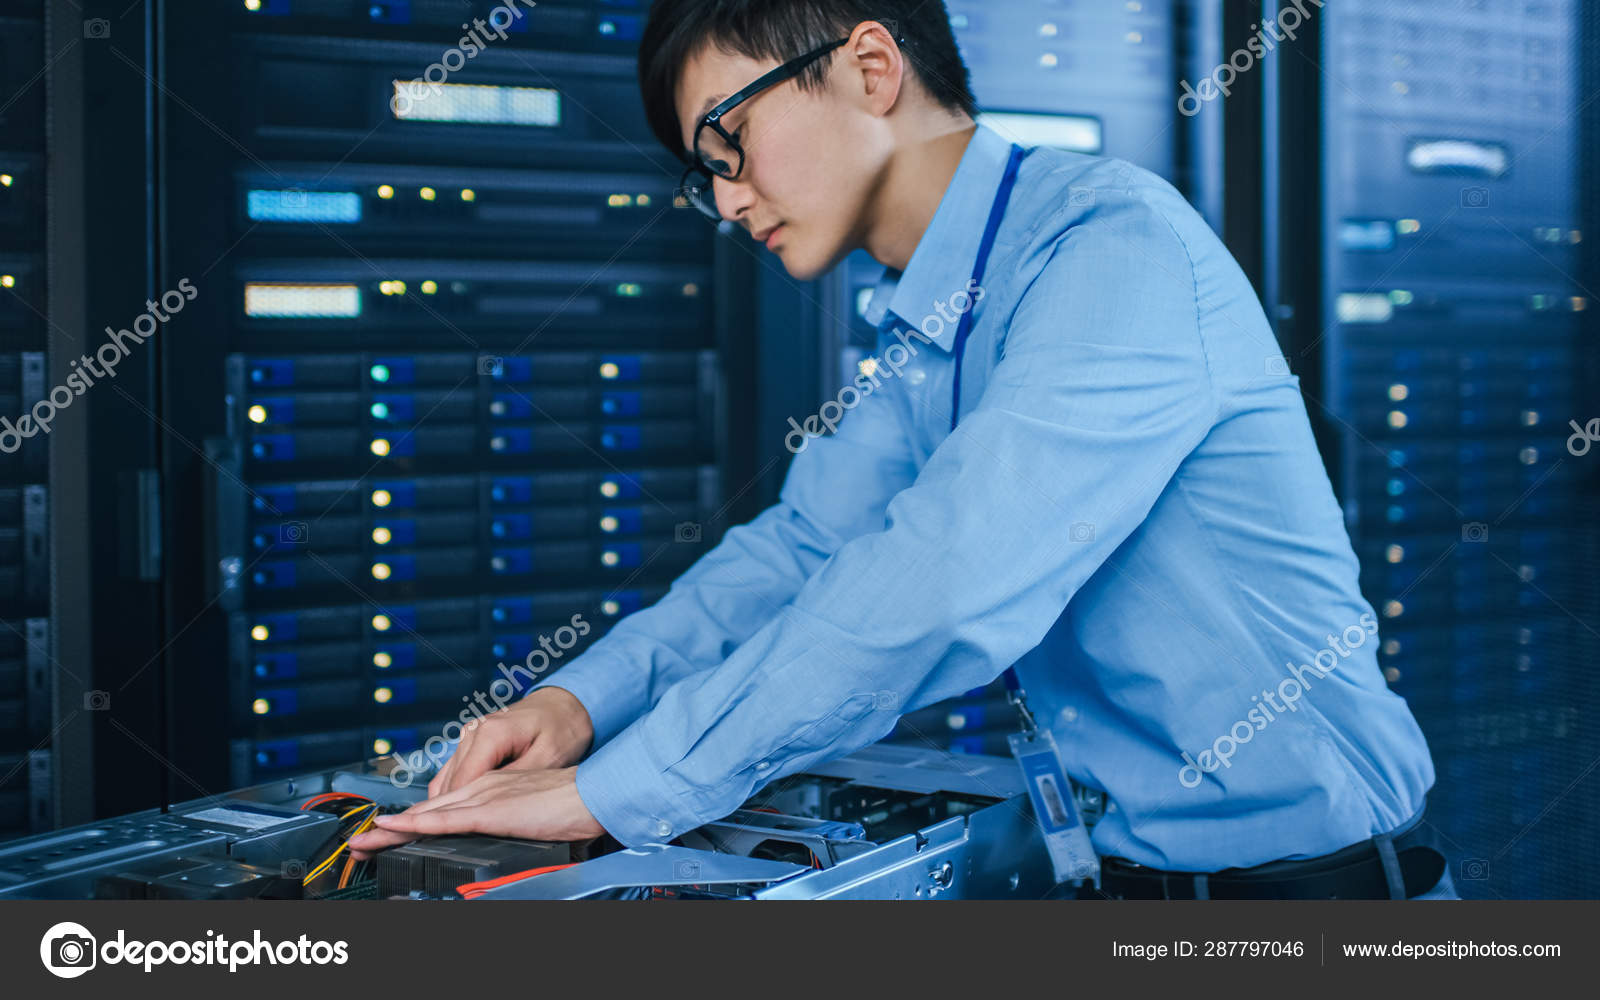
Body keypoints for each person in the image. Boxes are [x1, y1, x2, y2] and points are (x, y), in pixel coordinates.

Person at [351, 0, 1451, 899]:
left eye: (730, 141)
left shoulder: (1111, 245)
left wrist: (623, 787)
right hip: (1130, 891)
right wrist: (581, 705)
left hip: (1320, 904)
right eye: (705, 171)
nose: (726, 199)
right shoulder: (928, 326)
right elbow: (801, 551)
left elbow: (945, 577)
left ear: (870, 68)